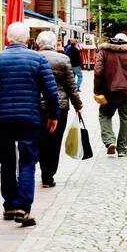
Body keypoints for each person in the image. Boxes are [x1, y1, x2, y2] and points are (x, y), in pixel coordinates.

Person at [0, 22, 60, 227]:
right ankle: (24, 208)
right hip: (30, 117)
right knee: (27, 160)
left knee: (7, 160)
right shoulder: (38, 59)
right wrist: (53, 115)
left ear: (8, 38)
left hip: (3, 119)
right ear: (27, 40)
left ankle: (10, 205)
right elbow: (51, 92)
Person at [35, 30, 82, 188]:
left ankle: (43, 171)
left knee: (41, 139)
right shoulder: (63, 59)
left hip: (38, 105)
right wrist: (78, 105)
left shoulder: (33, 57)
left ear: (38, 43)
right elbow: (71, 85)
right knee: (54, 141)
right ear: (55, 44)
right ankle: (49, 176)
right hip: (60, 106)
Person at [94, 32, 127, 157]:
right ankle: (122, 149)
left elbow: (98, 71)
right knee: (125, 118)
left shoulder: (104, 51)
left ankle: (110, 141)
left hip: (108, 91)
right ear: (126, 42)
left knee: (104, 115)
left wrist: (97, 90)